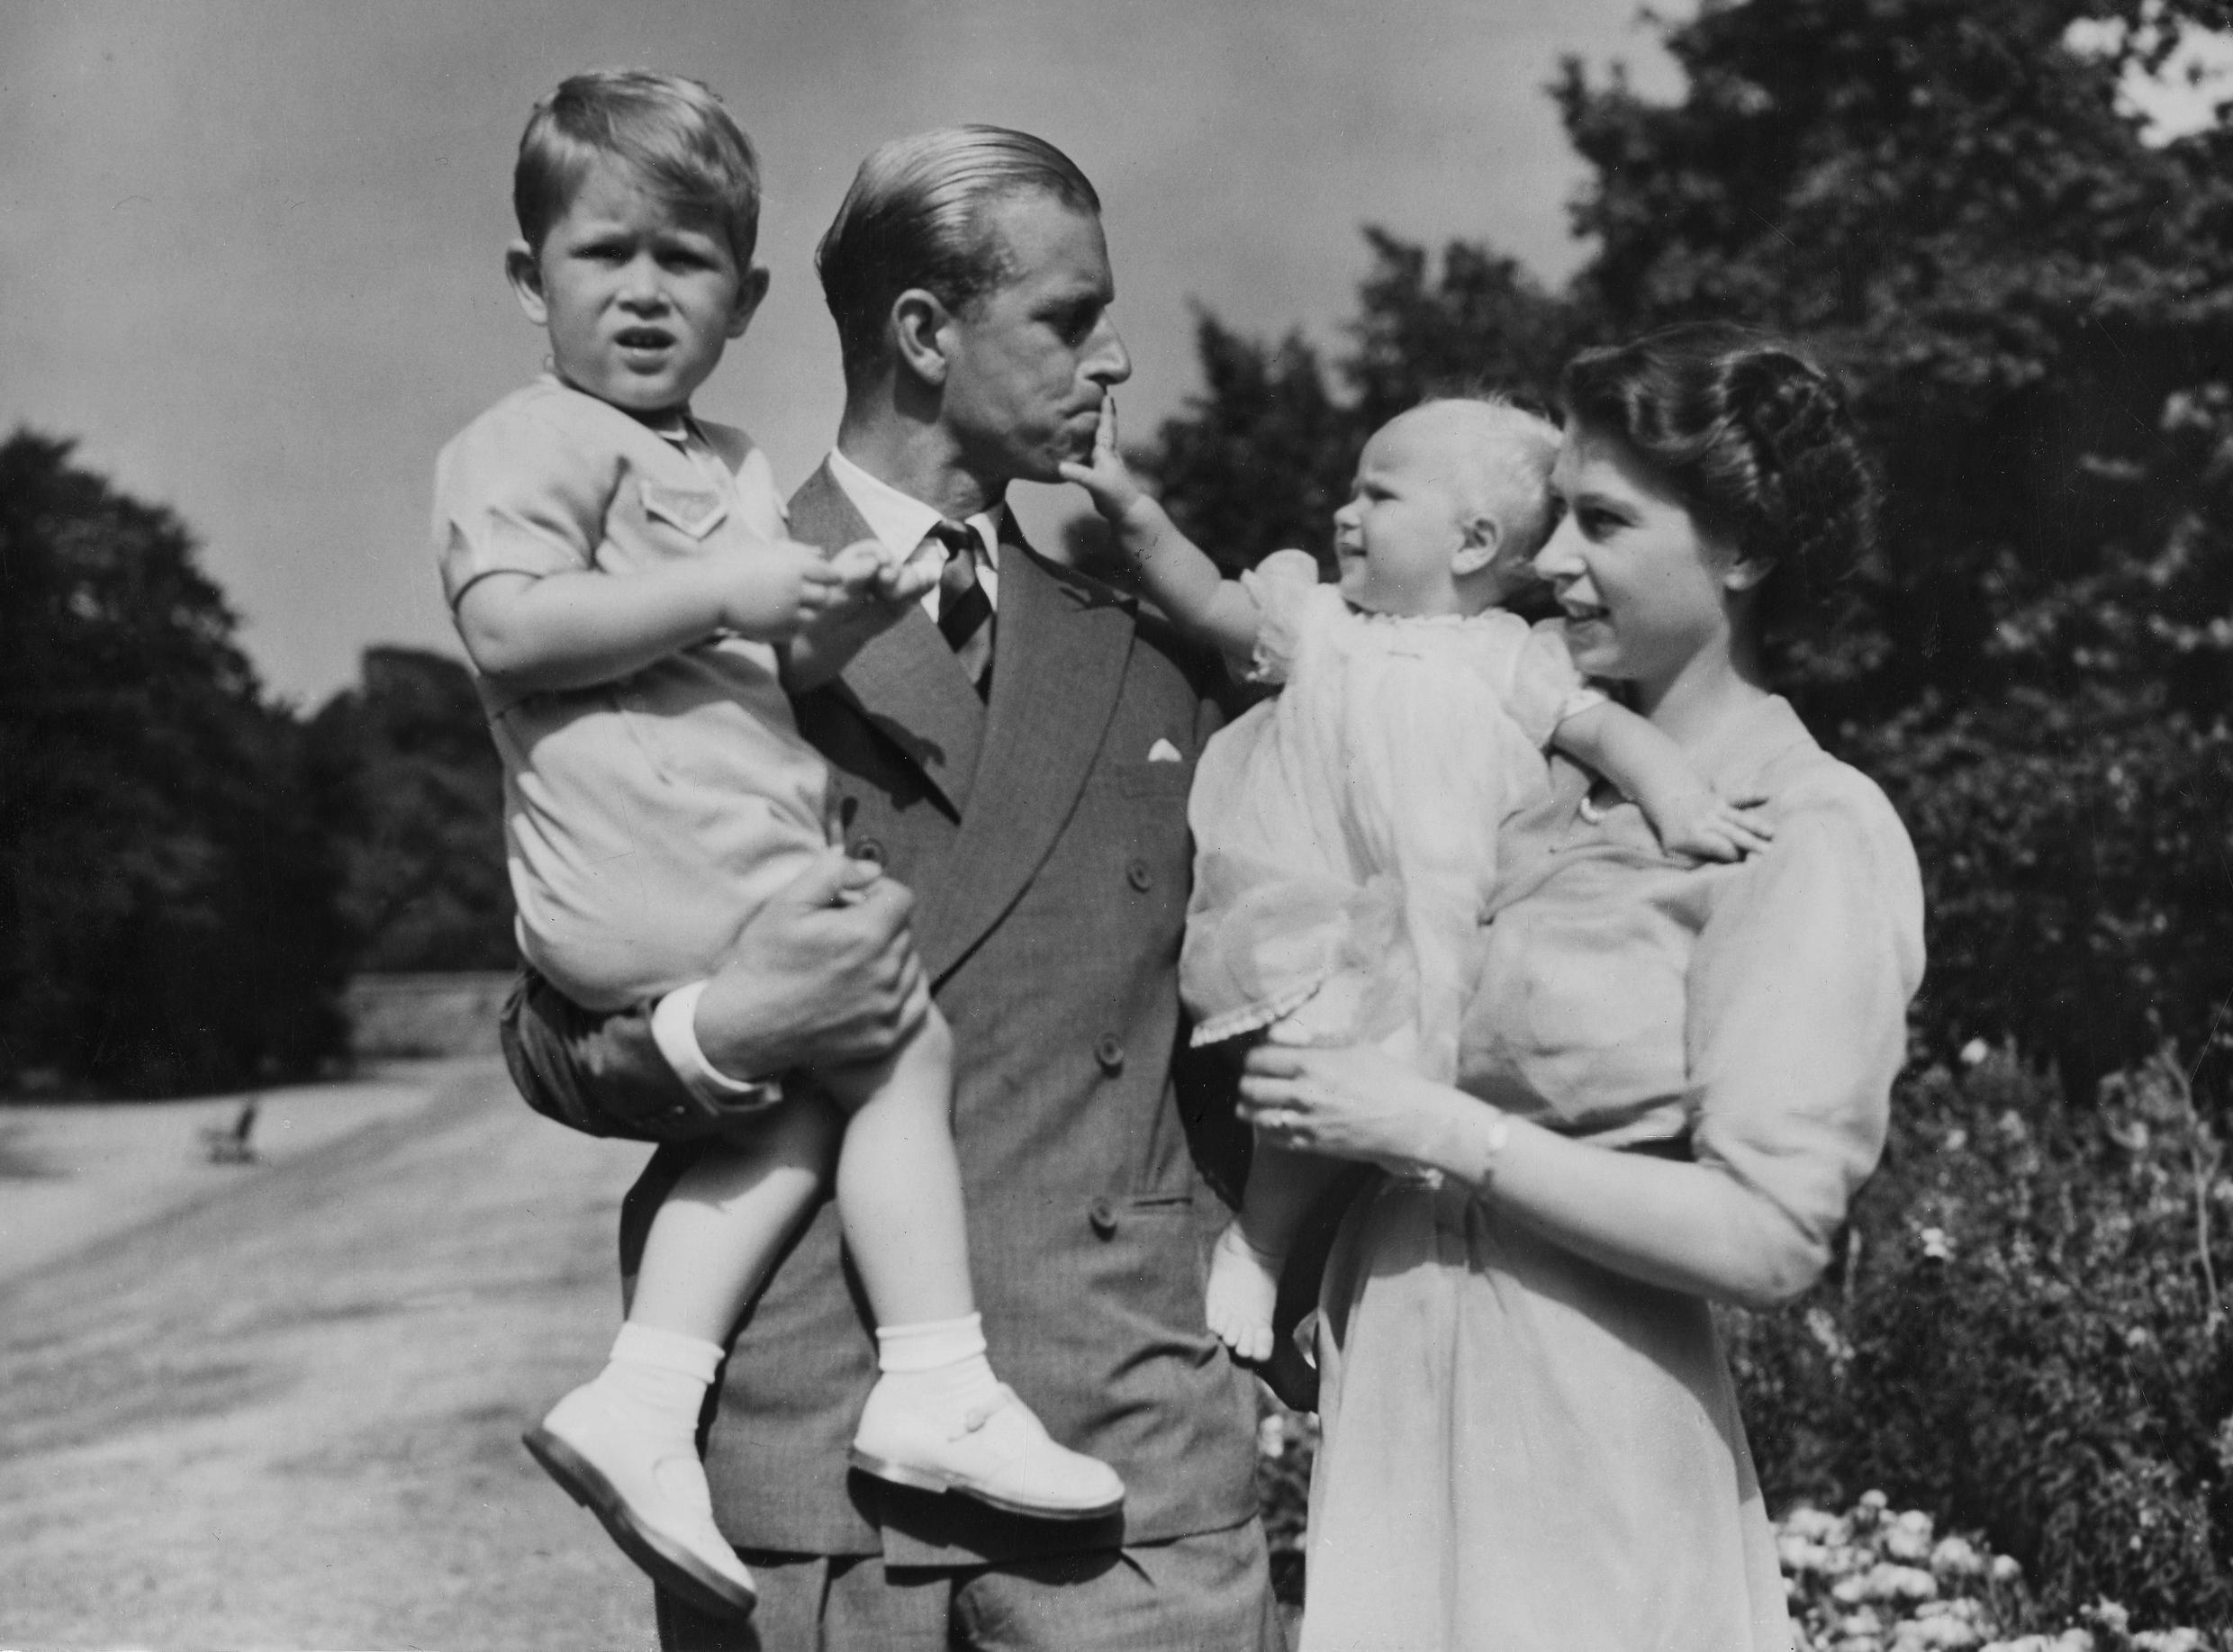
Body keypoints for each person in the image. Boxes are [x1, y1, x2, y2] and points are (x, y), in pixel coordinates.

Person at [500, 124, 1283, 1652]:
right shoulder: (667, 606)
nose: (1115, 359)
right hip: (808, 1478)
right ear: (924, 332)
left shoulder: (1151, 650)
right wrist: (722, 1032)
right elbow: (545, 1028)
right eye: (1069, 316)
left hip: (1129, 1466)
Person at [1235, 323, 1926, 1651]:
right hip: (1395, 1423)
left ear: (1744, 549)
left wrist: (1444, 1131)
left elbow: (1767, 1235)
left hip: (1588, 1464)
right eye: (1553, 516)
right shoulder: (1525, 783)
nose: (1549, 560)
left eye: (1600, 522)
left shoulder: (1807, 826)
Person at [1060, 394, 1769, 1363]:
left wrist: (1678, 797)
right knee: (1318, 1066)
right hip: (1315, 909)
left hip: (1444, 926)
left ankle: (1346, 1292)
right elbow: (1211, 601)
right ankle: (1259, 1243)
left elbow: (1608, 732)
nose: (1343, 511)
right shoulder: (1320, 623)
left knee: (1405, 1115)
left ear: (1472, 541)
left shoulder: (1510, 658)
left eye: (1378, 495)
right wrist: (1130, 511)